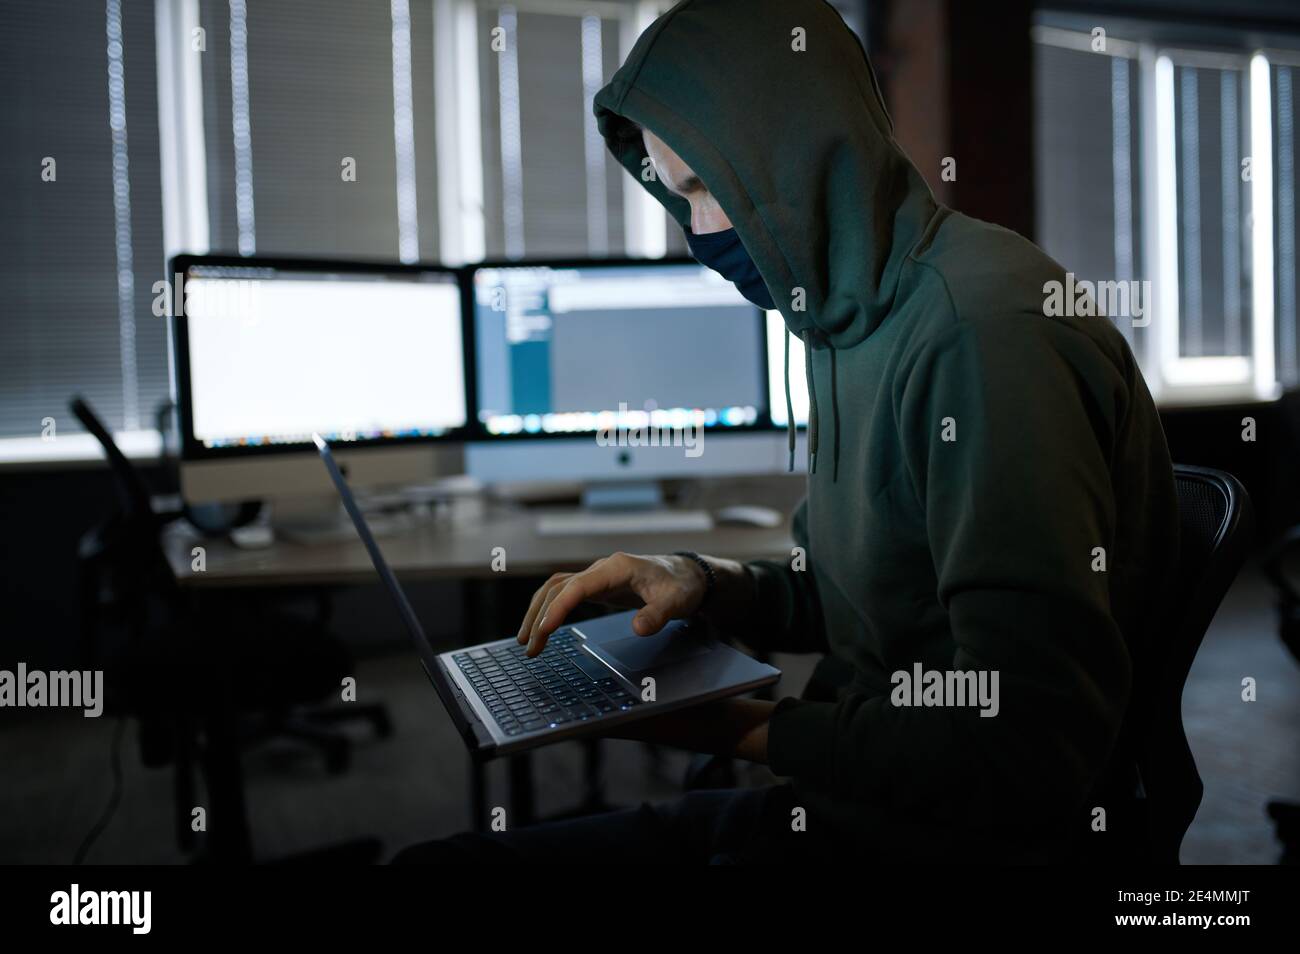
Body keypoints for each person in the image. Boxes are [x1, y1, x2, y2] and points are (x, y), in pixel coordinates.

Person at [394, 0, 1178, 864]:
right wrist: (700, 579)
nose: (694, 233)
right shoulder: (845, 318)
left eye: (704, 188)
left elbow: (1025, 751)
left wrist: (730, 729)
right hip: (854, 799)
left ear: (799, 160)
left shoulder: (983, 337)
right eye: (673, 192)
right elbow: (840, 595)